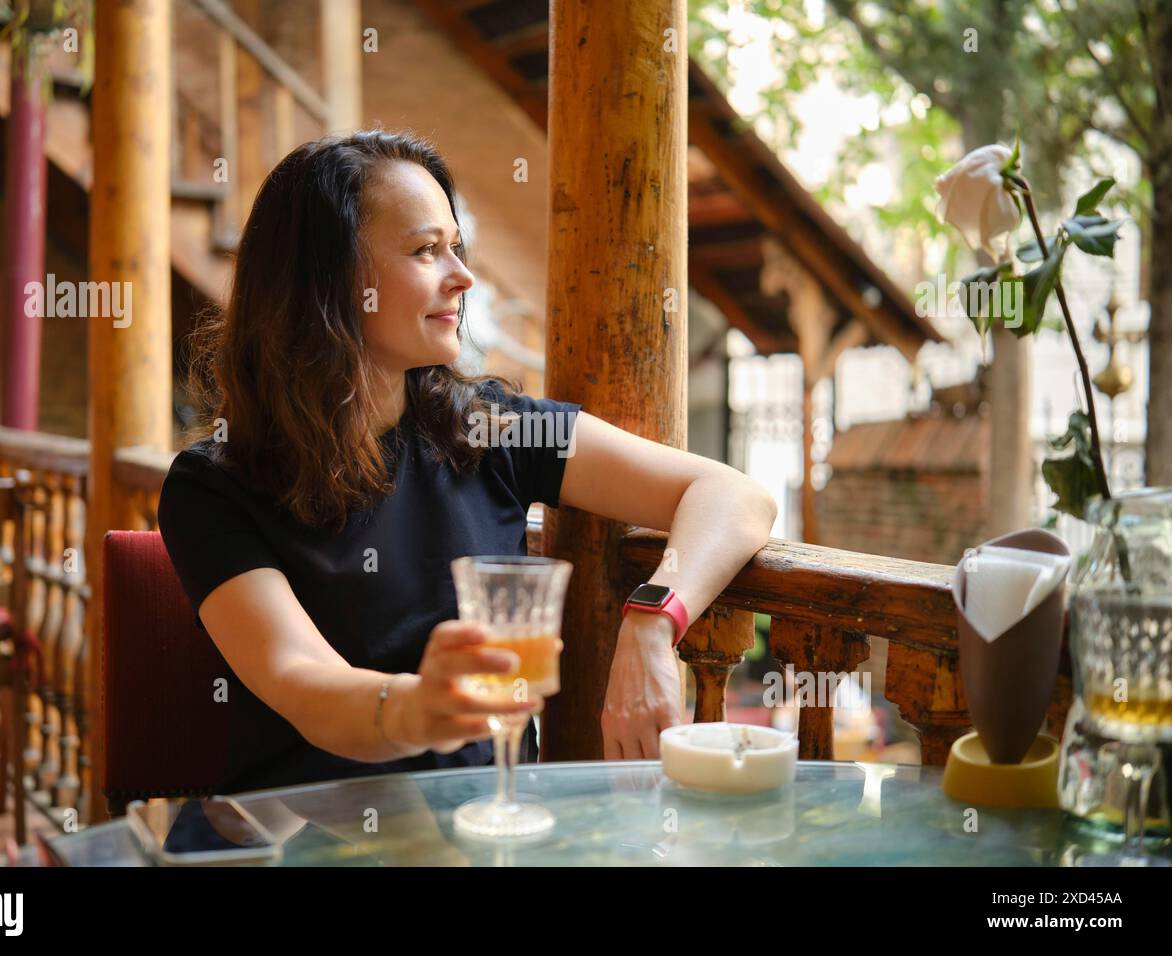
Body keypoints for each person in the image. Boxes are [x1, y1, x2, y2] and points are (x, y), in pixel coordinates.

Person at [157, 130, 777, 795]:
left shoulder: (490, 428)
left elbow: (734, 496)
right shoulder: (213, 488)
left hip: (485, 829)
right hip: (306, 836)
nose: (463, 275)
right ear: (328, 280)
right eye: (426, 250)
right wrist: (420, 709)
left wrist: (654, 618)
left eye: (457, 246)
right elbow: (302, 683)